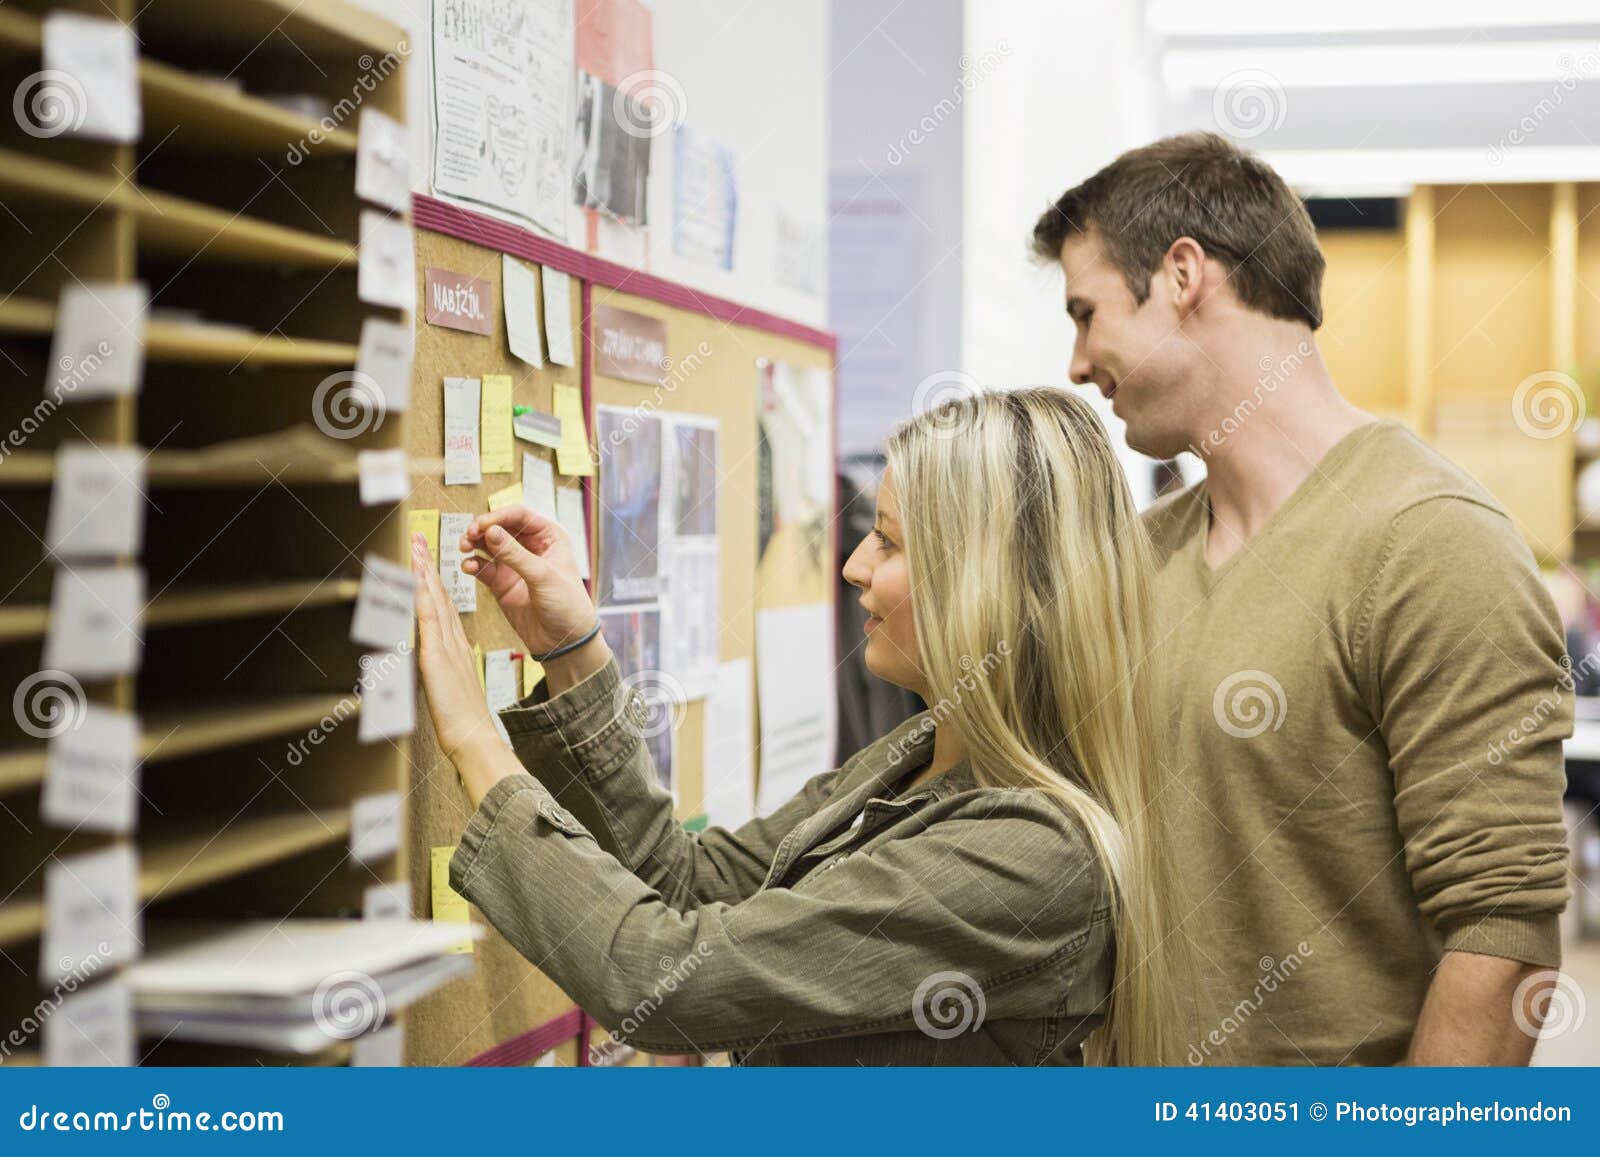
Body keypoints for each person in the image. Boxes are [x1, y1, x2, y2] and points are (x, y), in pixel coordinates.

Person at [411, 388, 1187, 1065]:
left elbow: (667, 980)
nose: (853, 565)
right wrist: (574, 652)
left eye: (888, 541)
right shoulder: (917, 755)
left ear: (983, 581)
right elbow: (685, 883)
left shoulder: (1031, 857)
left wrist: (477, 743)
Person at [1032, 132, 1571, 1065]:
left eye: (1088, 314)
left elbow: (1502, 937)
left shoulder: (1431, 543)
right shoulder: (1137, 558)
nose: (1077, 363)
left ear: (1183, 275)